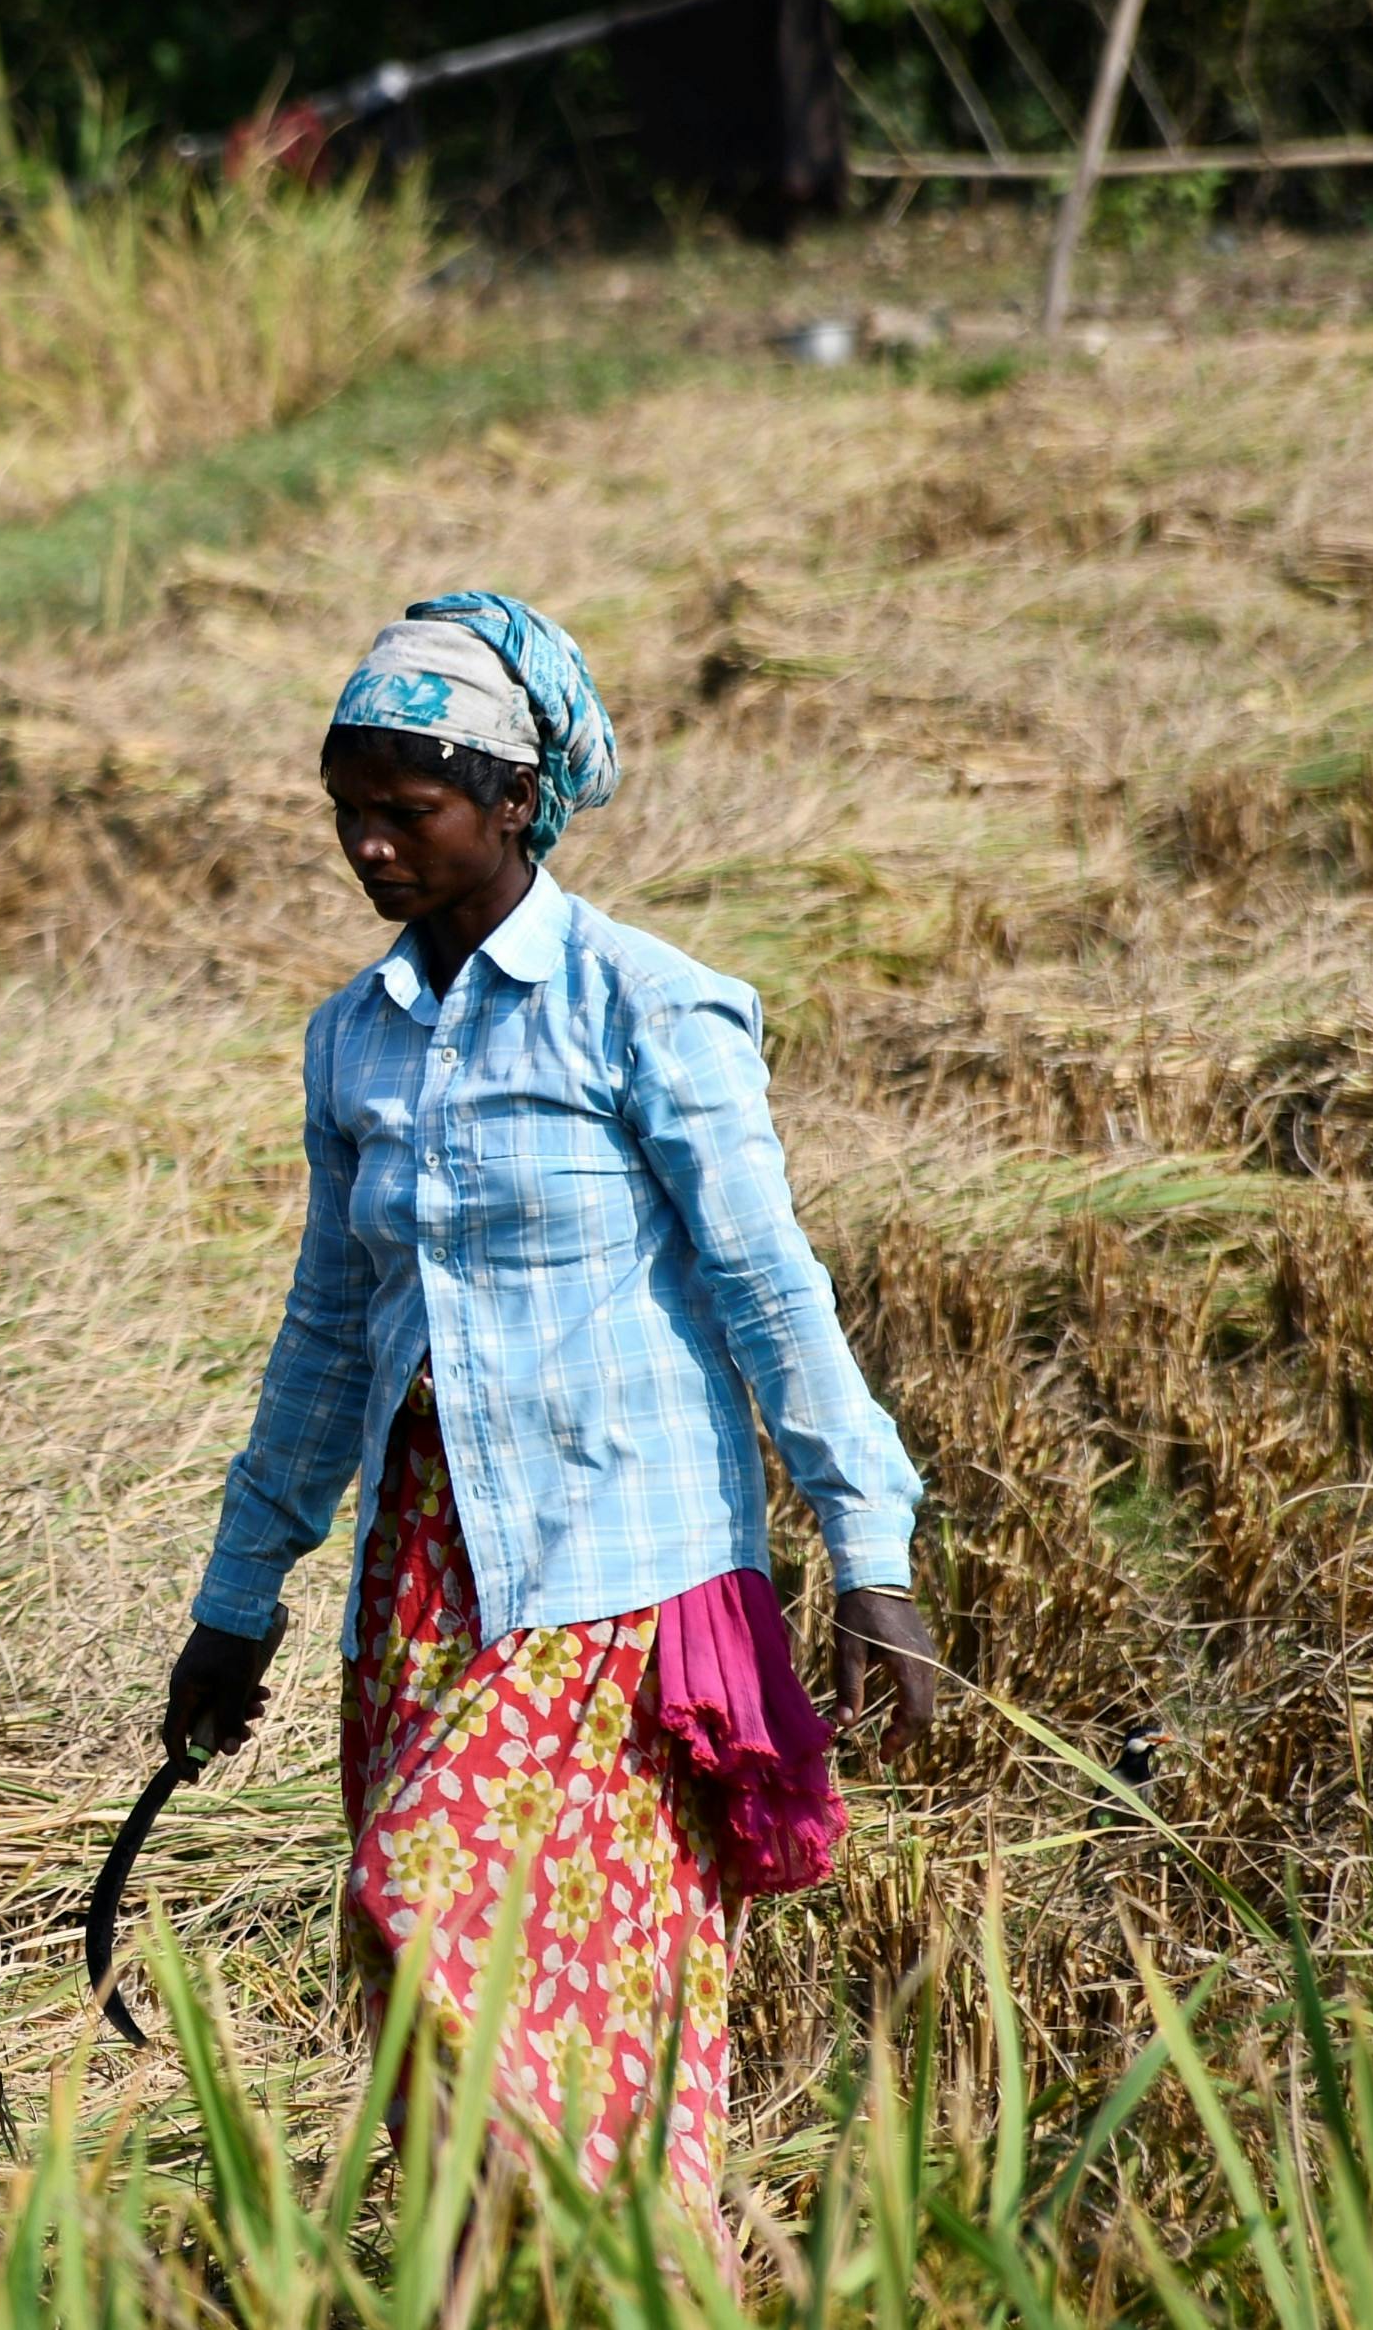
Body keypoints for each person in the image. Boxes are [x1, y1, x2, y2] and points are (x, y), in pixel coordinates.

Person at [160, 592, 938, 2220]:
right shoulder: (353, 1043)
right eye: (346, 814)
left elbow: (767, 1286)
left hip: (610, 1575)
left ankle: (622, 2258)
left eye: (407, 810)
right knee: (449, 2031)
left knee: (426, 1904)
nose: (368, 847)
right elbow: (321, 1337)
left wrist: (867, 1551)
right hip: (423, 1584)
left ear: (514, 802)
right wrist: (237, 1604)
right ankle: (540, 2274)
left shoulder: (642, 1006)